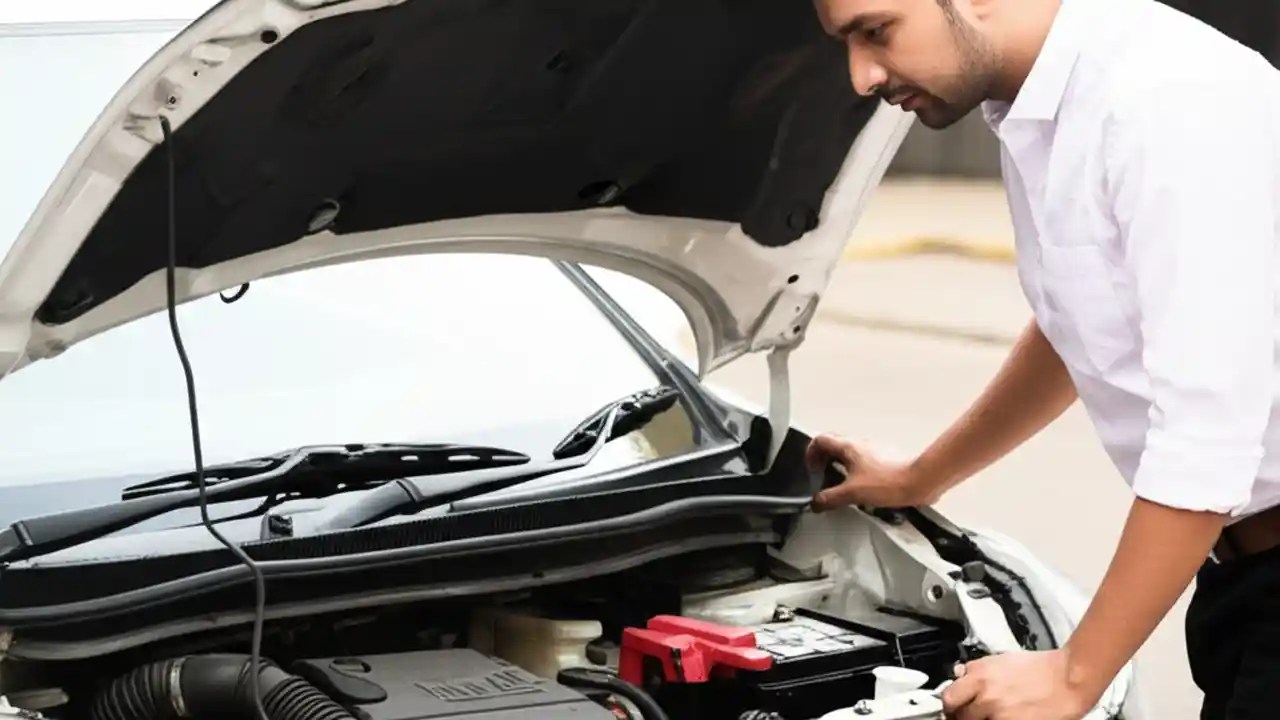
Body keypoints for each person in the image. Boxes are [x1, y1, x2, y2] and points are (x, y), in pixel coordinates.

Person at [806, 0, 1280, 718]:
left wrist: (1075, 676)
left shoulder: (1165, 104)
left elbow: (1206, 438)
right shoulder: (1040, 107)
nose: (861, 76)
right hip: (1237, 576)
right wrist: (923, 475)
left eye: (876, 31)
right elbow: (1081, 323)